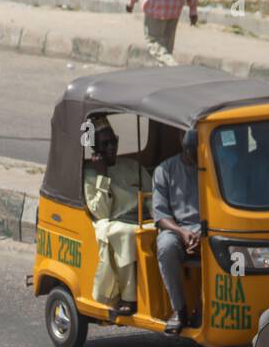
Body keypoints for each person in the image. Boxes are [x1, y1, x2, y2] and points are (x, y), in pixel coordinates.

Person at [83, 116, 150, 318]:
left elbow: (151, 194)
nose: (111, 148)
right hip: (117, 220)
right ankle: (128, 298)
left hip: (144, 216)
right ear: (95, 148)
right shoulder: (90, 174)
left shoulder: (131, 165)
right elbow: (100, 212)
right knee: (127, 234)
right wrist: (102, 174)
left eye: (114, 142)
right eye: (105, 144)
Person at [152, 128, 202, 335]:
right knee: (165, 245)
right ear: (180, 138)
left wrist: (203, 233)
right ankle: (179, 309)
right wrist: (182, 233)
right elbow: (161, 216)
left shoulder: (214, 166)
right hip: (178, 229)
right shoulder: (165, 169)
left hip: (209, 229)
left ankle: (203, 307)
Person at [126, 0, 199, 66]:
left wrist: (132, 0)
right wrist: (193, 9)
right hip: (174, 7)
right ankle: (167, 76)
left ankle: (173, 66)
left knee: (154, 42)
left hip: (156, 6)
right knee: (166, 49)